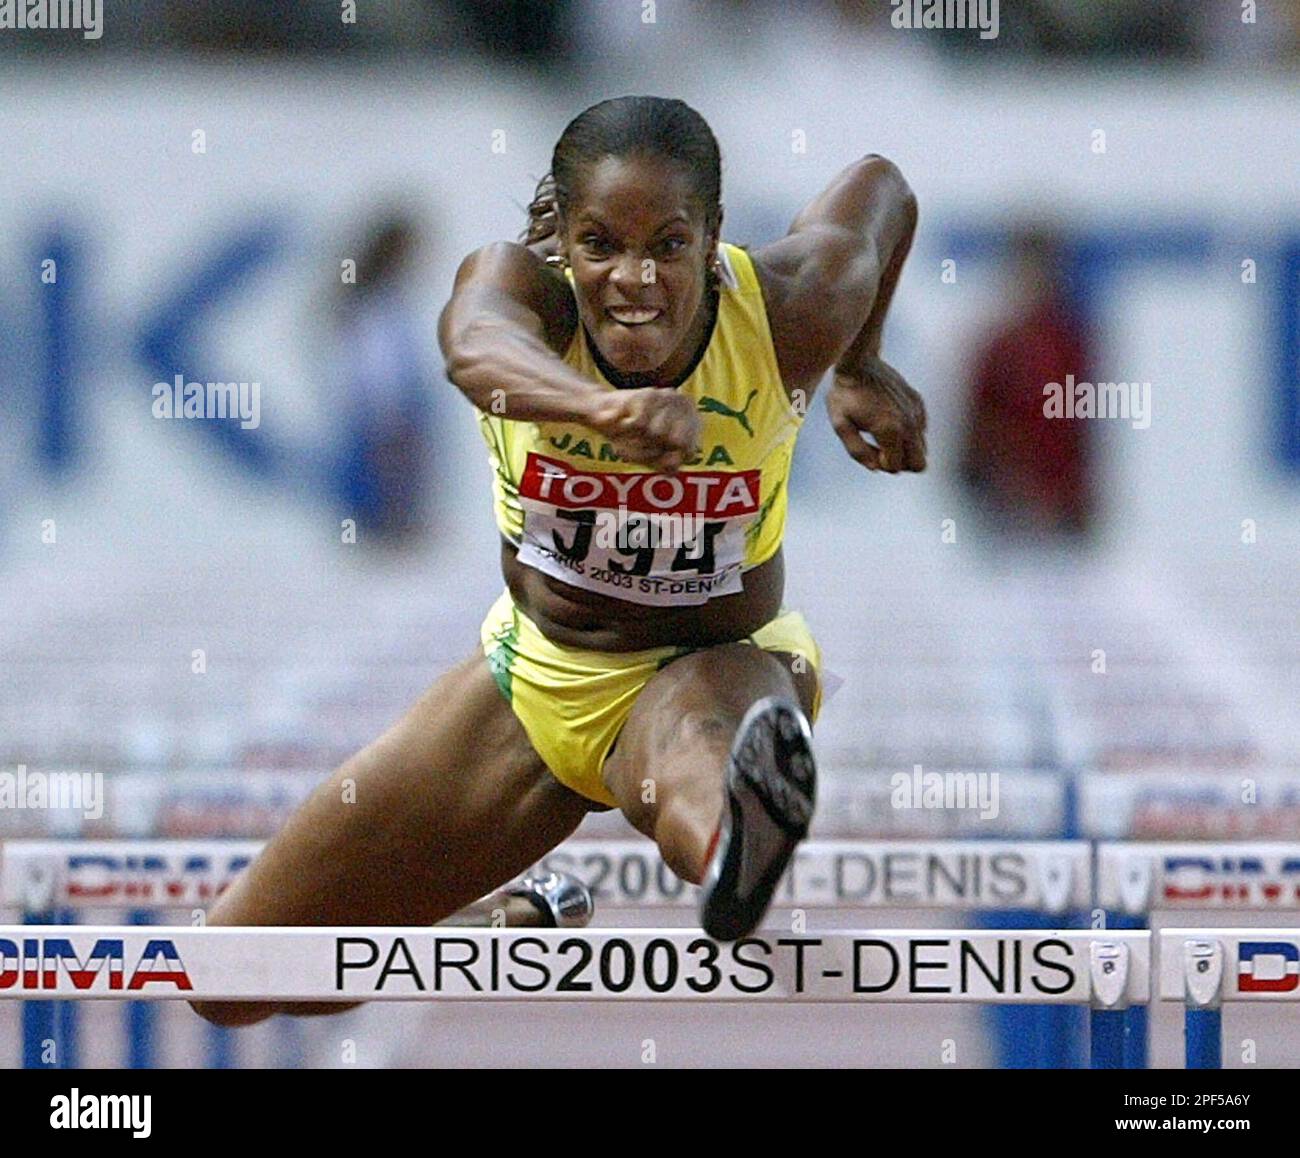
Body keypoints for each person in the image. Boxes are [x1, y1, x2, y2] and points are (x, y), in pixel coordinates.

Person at [192, 95, 924, 1028]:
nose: (635, 279)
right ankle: (511, 917)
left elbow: (884, 192)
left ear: (713, 240)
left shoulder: (791, 306)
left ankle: (738, 838)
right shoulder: (519, 293)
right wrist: (602, 410)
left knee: (694, 752)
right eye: (601, 245)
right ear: (562, 245)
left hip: (711, 664)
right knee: (234, 977)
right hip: (534, 683)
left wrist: (859, 363)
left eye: (667, 244)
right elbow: (472, 347)